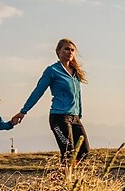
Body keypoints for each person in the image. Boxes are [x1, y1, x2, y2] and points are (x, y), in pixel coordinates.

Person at [12, 38, 89, 167]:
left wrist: (79, 114)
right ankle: (64, 181)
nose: (69, 52)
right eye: (66, 49)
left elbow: (78, 95)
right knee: (68, 152)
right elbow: (38, 91)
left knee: (84, 151)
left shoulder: (75, 72)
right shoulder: (52, 70)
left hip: (75, 118)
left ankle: (61, 178)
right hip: (59, 117)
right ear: (58, 51)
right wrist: (23, 111)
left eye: (72, 50)